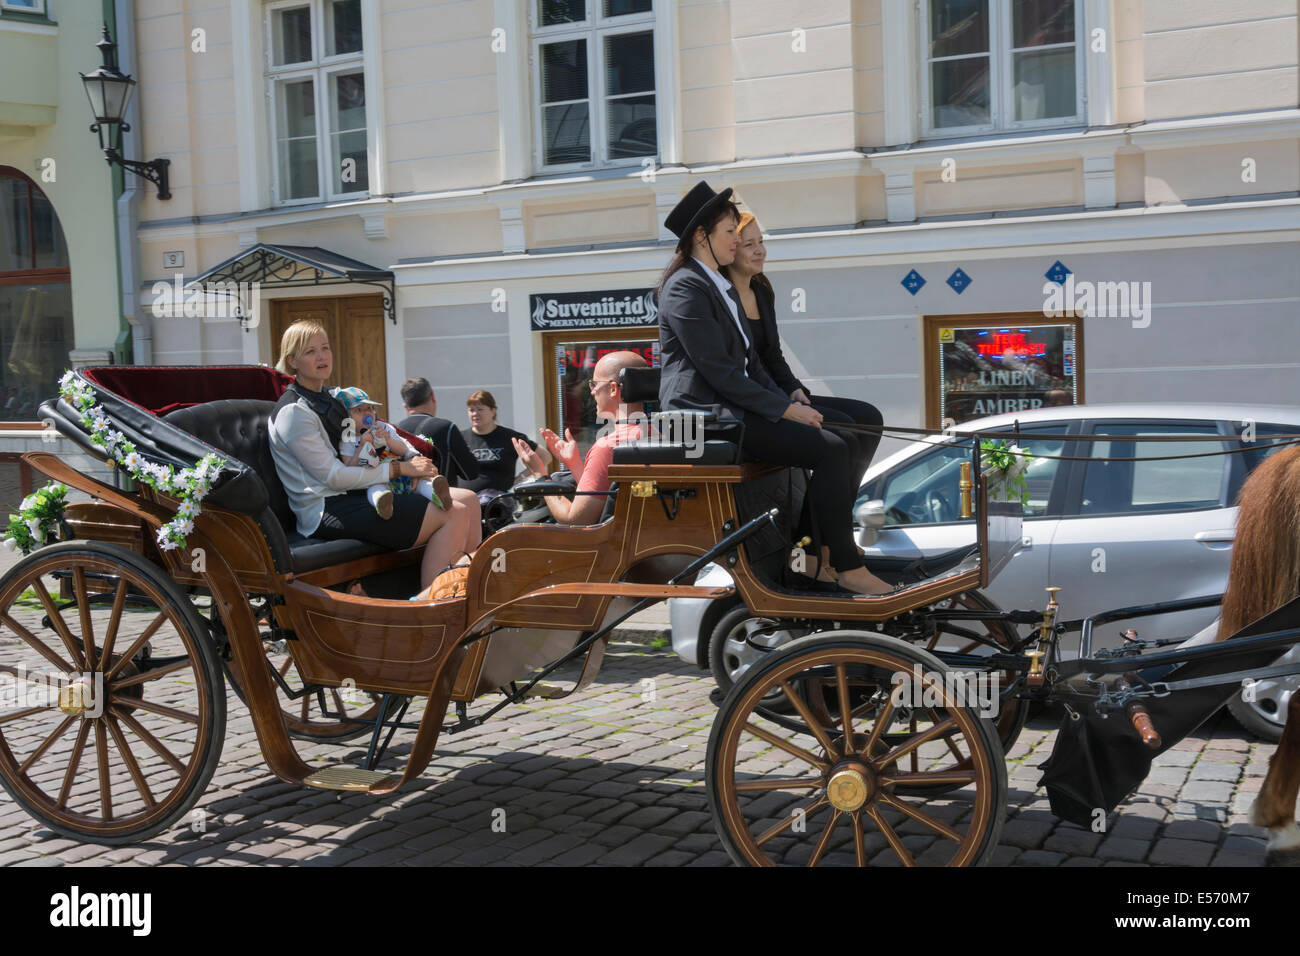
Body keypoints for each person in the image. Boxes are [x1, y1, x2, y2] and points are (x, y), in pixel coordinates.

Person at [655, 181, 895, 596]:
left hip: (731, 407)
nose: (738, 241)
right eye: (730, 232)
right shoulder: (685, 288)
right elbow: (721, 374)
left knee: (856, 427)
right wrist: (786, 411)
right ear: (701, 237)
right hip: (703, 417)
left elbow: (753, 363)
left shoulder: (719, 286)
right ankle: (840, 562)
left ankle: (817, 552)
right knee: (833, 446)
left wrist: (788, 399)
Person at [268, 320, 481, 589]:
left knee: (470, 500)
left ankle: (464, 588)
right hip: (326, 508)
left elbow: (374, 430)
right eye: (310, 351)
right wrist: (400, 470)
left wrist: (408, 456)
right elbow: (333, 477)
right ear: (292, 361)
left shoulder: (333, 398)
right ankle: (431, 605)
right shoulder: (294, 412)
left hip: (357, 490)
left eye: (325, 348)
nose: (322, 356)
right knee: (454, 512)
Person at [722, 210, 884, 494]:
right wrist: (782, 402)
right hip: (754, 401)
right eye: (749, 245)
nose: (760, 250)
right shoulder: (722, 297)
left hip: (776, 391)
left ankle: (835, 514)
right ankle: (819, 529)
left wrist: (794, 388)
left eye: (761, 241)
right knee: (844, 428)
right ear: (731, 251)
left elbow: (773, 355)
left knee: (869, 417)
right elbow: (739, 368)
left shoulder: (761, 292)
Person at [512, 350, 648, 525]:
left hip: (609, 547)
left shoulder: (608, 446)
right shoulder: (657, 435)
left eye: (594, 384)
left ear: (613, 389)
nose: (591, 392)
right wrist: (575, 464)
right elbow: (605, 497)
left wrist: (539, 474)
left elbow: (576, 519)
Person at [331, 385, 450, 519]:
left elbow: (404, 448)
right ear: (346, 417)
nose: (367, 413)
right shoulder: (348, 439)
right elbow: (350, 466)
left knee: (420, 484)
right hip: (375, 477)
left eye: (370, 408)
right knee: (376, 488)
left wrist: (388, 440)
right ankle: (383, 503)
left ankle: (438, 494)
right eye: (359, 410)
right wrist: (362, 446)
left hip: (401, 473)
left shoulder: (382, 427)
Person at [461, 389, 552, 496]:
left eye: (480, 409)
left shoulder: (510, 437)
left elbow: (545, 457)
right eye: (471, 410)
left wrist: (521, 478)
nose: (475, 414)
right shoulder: (460, 437)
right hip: (467, 502)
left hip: (500, 503)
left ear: (493, 411)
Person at [396, 377, 479, 488]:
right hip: (440, 501)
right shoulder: (446, 428)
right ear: (432, 397)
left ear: (405, 405)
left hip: (401, 502)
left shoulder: (392, 430)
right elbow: (470, 473)